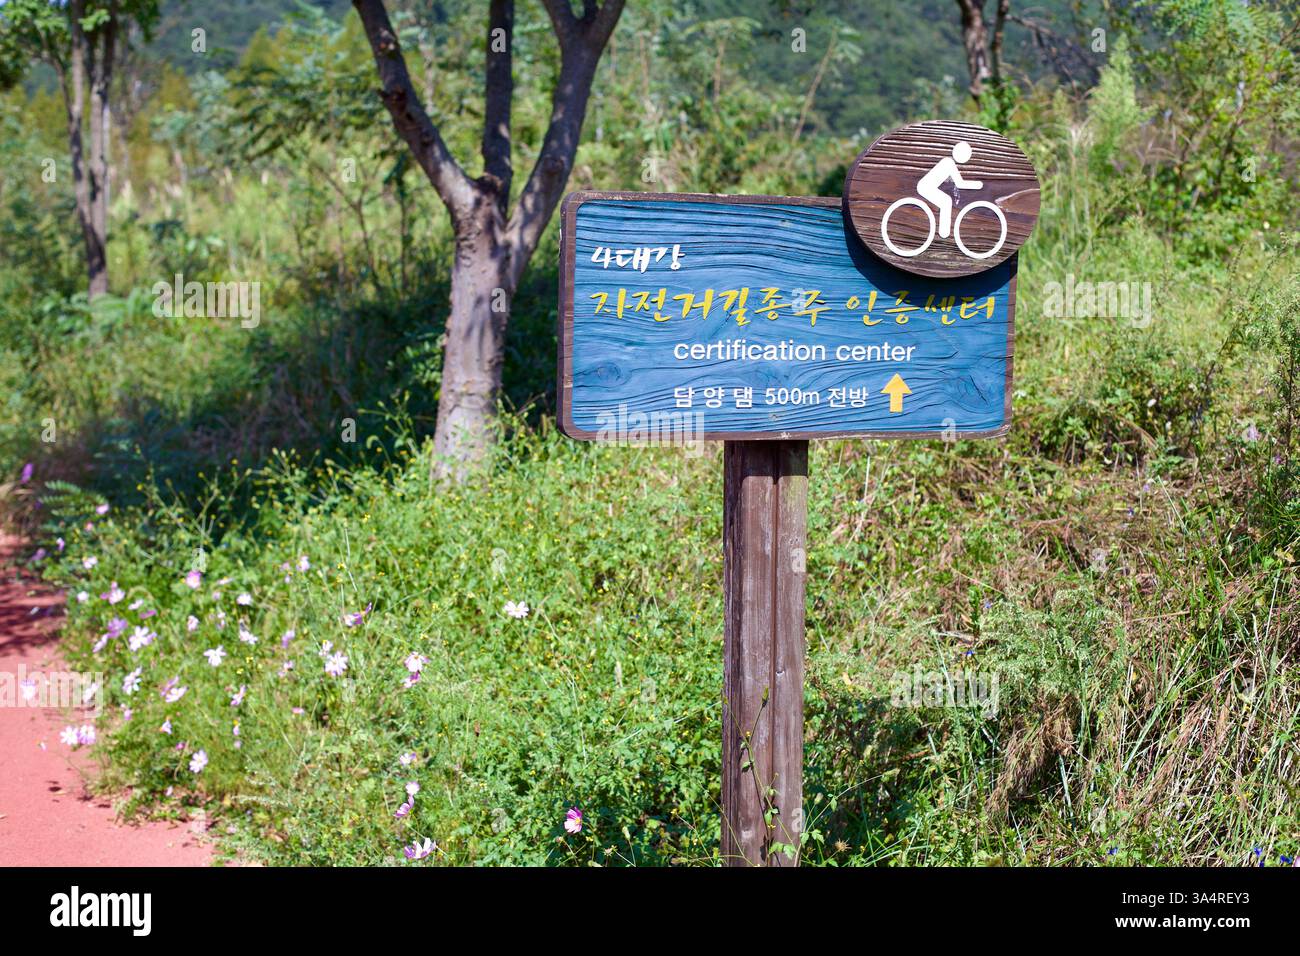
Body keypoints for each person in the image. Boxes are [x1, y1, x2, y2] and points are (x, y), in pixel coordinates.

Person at [916, 141, 983, 239]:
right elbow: (960, 183)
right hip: (925, 187)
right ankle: (944, 234)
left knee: (946, 200)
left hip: (927, 186)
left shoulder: (949, 161)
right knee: (946, 201)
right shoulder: (949, 162)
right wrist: (978, 185)